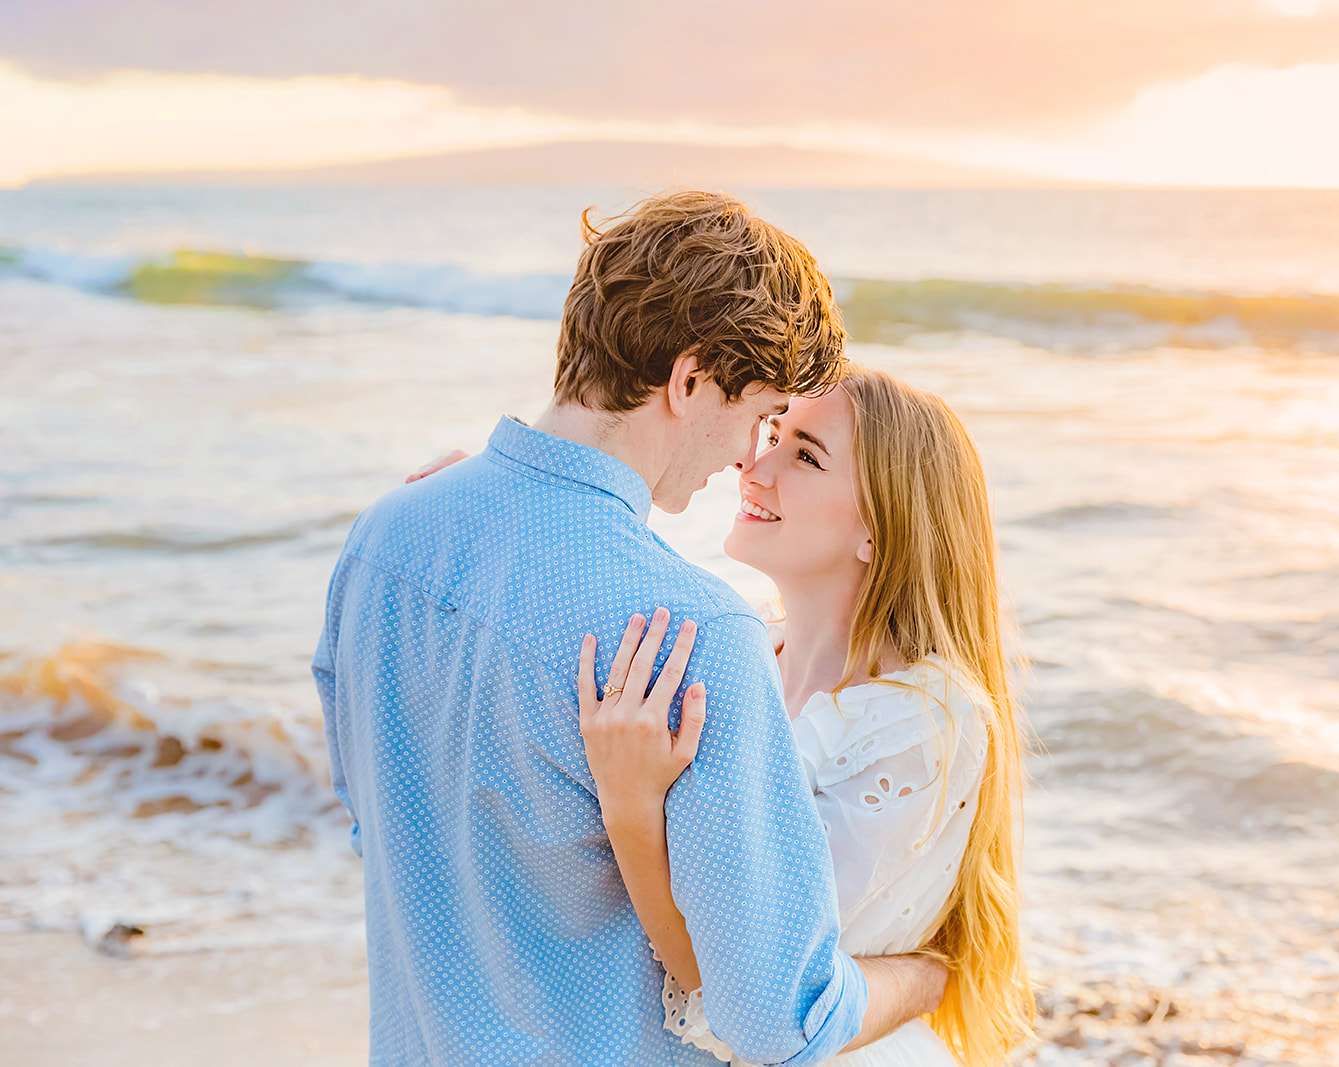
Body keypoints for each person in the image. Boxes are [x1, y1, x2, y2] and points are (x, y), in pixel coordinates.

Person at [313, 190, 946, 1066]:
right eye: (758, 415)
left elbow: (369, 813)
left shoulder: (388, 532)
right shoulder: (697, 634)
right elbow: (778, 1017)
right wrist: (926, 977)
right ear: (690, 381)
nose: (744, 459)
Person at [576, 366, 1034, 1065]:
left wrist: (631, 814)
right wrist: (501, 503)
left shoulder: (923, 721)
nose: (753, 469)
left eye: (805, 455)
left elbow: (751, 990)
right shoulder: (749, 645)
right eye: (772, 433)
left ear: (881, 531)